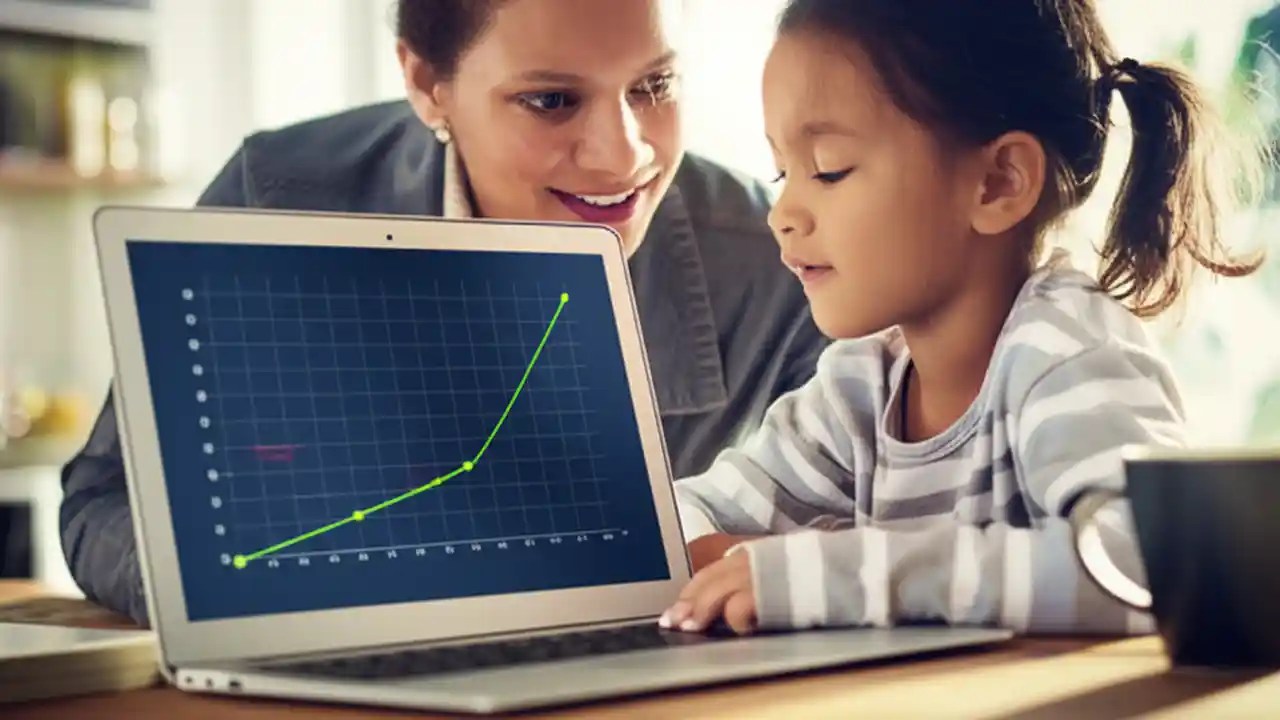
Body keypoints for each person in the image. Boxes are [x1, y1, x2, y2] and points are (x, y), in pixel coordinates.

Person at [60, 0, 828, 625]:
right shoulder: (276, 192)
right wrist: (270, 591)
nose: (622, 155)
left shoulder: (772, 256)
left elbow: (861, 522)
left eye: (653, 87)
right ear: (428, 83)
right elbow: (105, 503)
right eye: (553, 101)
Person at [661, 0, 1264, 636]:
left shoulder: (1069, 351)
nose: (781, 212)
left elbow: (1145, 566)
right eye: (782, 171)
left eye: (828, 169)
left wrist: (842, 575)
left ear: (998, 183)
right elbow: (678, 517)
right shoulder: (859, 388)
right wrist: (742, 563)